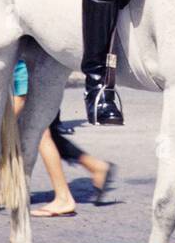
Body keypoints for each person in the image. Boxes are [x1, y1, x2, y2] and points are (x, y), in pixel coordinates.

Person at [11, 61, 114, 217]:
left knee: (40, 132)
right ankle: (95, 167)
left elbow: (21, 90)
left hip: (37, 72)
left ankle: (63, 197)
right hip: (45, 70)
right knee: (46, 132)